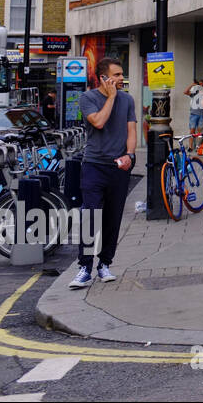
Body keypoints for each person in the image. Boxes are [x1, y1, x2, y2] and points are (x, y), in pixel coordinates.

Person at [69, 57, 136, 289]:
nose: (121, 79)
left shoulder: (128, 100)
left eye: (121, 74)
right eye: (116, 75)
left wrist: (130, 155)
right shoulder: (88, 98)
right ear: (103, 78)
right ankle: (85, 268)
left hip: (118, 168)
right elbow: (98, 122)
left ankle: (104, 264)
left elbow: (131, 130)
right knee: (91, 216)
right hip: (93, 166)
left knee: (112, 218)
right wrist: (111, 98)